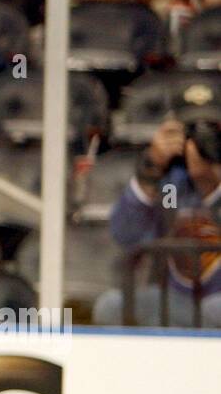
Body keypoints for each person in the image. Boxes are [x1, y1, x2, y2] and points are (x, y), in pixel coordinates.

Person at [94, 105, 221, 327]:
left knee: (213, 310)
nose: (201, 143)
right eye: (192, 133)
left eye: (211, 132)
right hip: (176, 300)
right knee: (110, 306)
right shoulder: (171, 182)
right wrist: (150, 171)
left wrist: (212, 189)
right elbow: (125, 236)